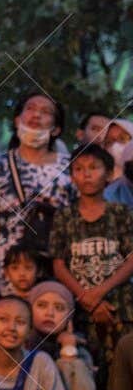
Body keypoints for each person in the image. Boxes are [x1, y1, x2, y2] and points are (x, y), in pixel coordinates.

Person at [49, 143, 133, 363]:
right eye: (79, 169)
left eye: (93, 167)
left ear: (108, 173)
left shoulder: (121, 212)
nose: (86, 174)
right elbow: (58, 264)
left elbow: (131, 259)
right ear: (72, 177)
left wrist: (100, 291)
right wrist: (88, 299)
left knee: (123, 369)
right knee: (87, 369)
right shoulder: (64, 215)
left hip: (120, 306)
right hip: (80, 309)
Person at [0, 92, 72, 289]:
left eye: (46, 112)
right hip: (11, 268)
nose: (36, 115)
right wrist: (1, 252)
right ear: (16, 120)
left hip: (58, 265)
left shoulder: (70, 167)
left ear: (56, 129)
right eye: (30, 109)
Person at [27, 281, 97, 390]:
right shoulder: (18, 346)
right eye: (41, 305)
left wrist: (68, 352)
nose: (50, 313)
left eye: (59, 308)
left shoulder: (80, 351)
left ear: (69, 318)